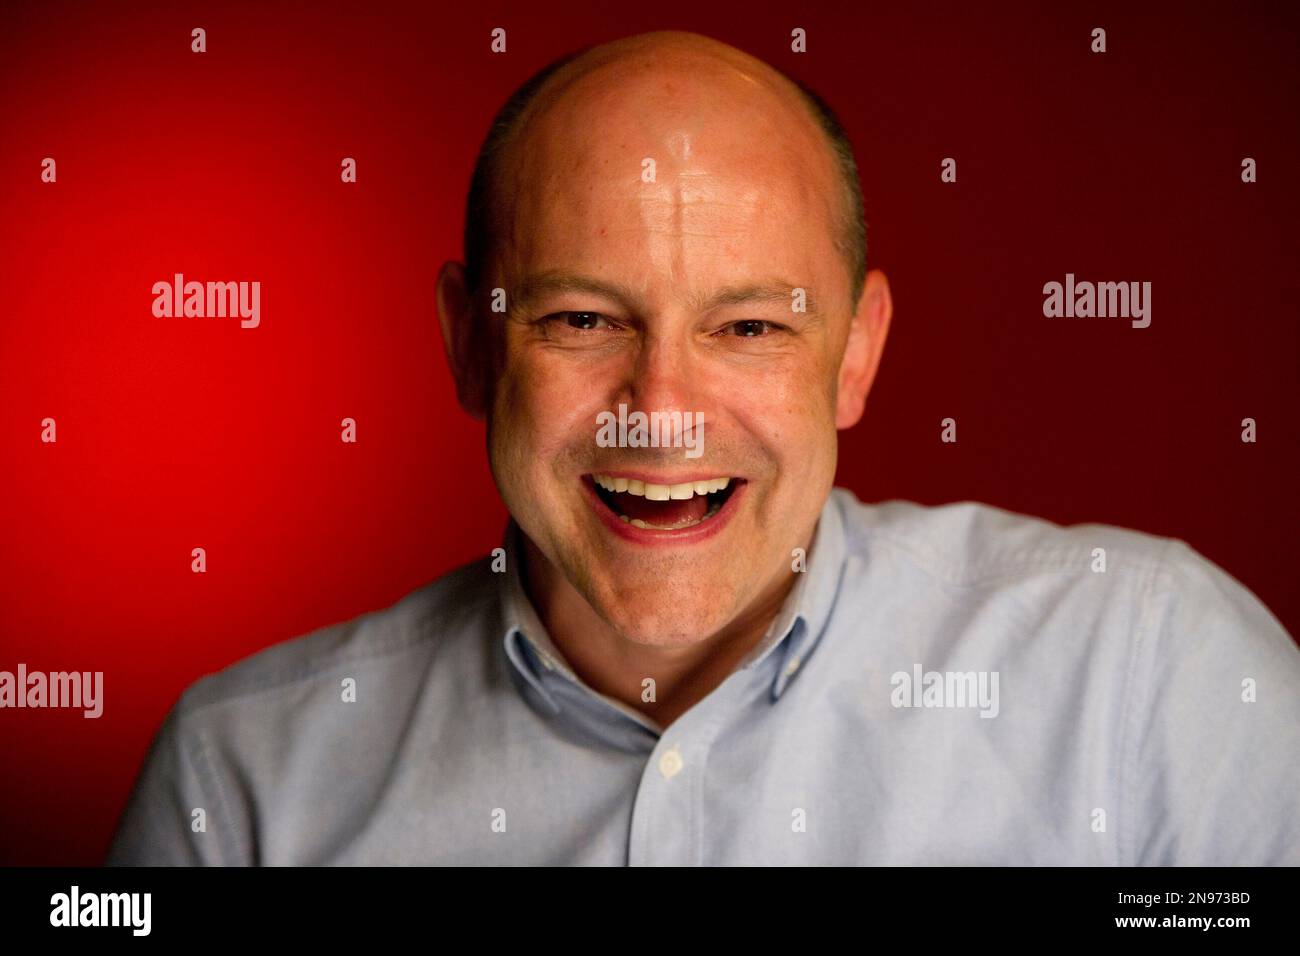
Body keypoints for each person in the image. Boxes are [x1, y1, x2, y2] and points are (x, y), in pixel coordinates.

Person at [107, 30, 1300, 866]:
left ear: (855, 355)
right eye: (582, 319)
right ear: (470, 349)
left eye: (748, 326)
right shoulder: (241, 785)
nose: (660, 408)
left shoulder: (1153, 680)